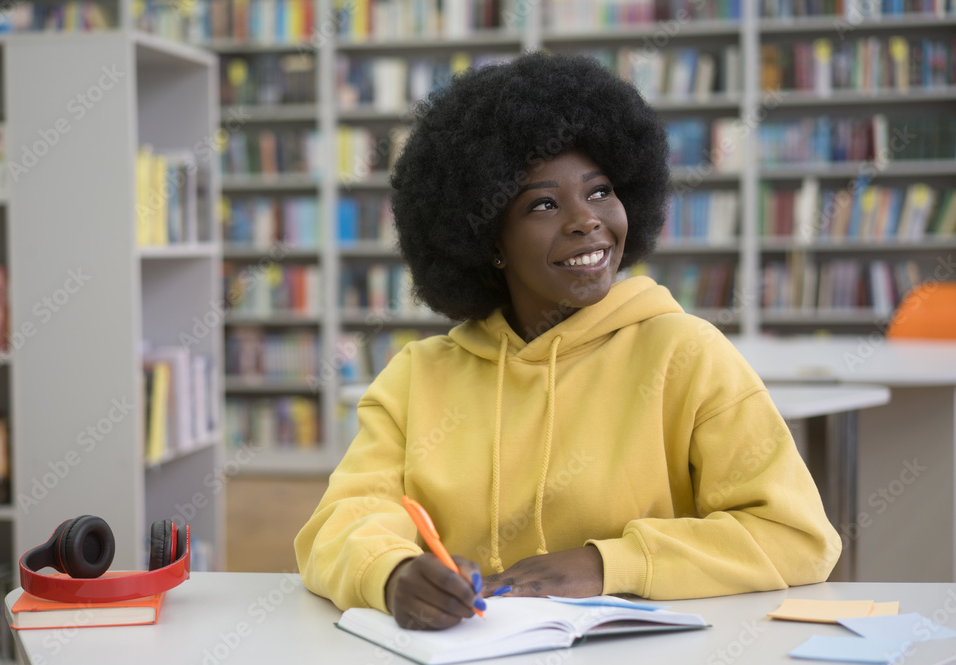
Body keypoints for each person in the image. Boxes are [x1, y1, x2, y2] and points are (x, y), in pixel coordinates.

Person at [294, 51, 841, 631]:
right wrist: (391, 572)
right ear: (490, 241)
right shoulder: (416, 378)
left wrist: (605, 564)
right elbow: (339, 523)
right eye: (545, 204)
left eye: (601, 191)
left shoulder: (686, 354)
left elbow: (795, 536)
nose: (587, 220)